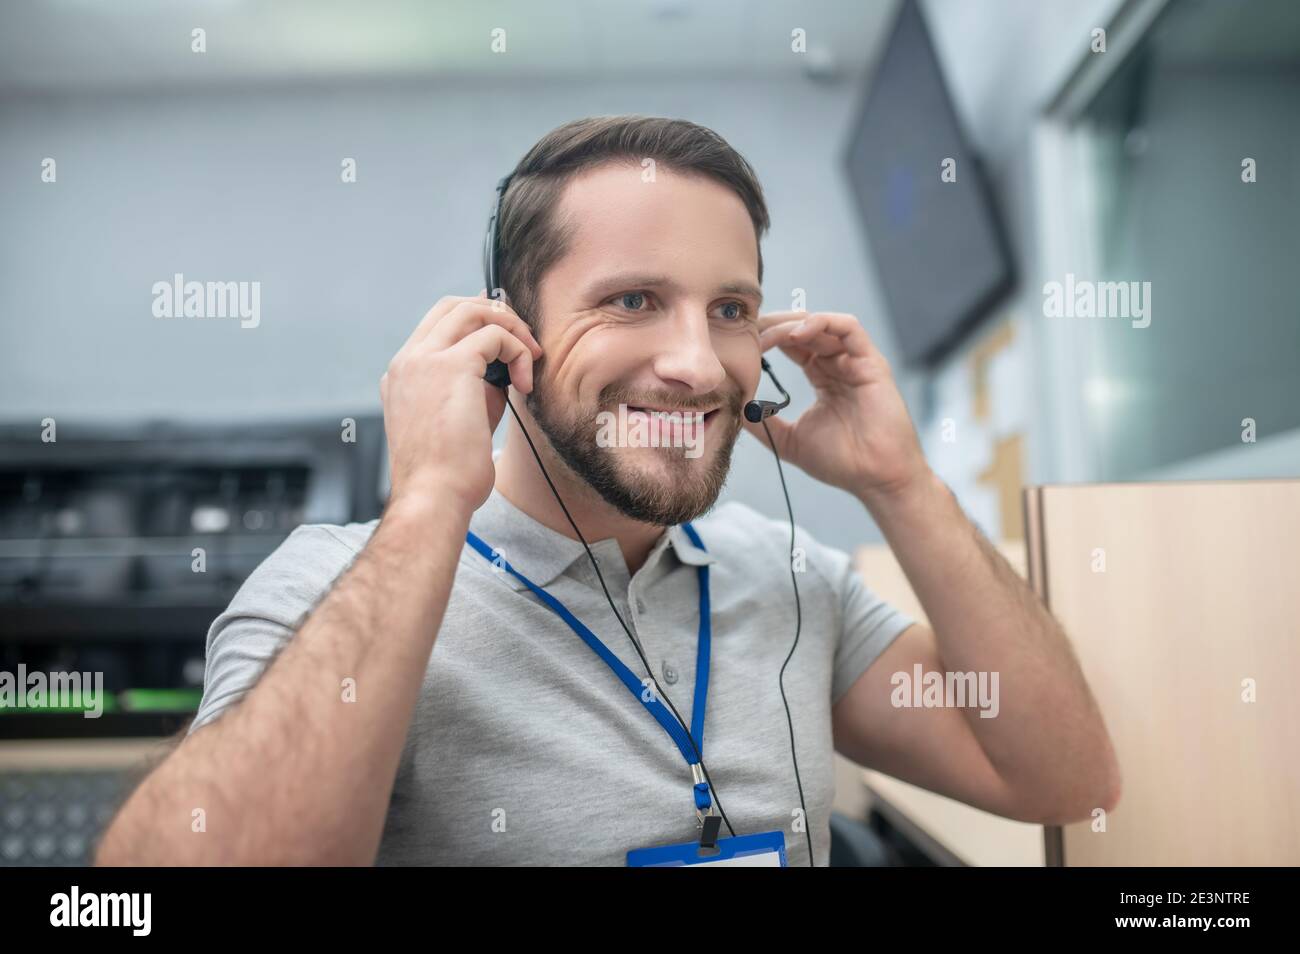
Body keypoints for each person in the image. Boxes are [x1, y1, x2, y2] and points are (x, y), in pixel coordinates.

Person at [96, 115, 1120, 866]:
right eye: (632, 300)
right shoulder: (338, 582)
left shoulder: (791, 576)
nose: (696, 363)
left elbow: (1059, 777)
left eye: (729, 307)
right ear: (507, 337)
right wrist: (424, 508)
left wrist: (904, 484)